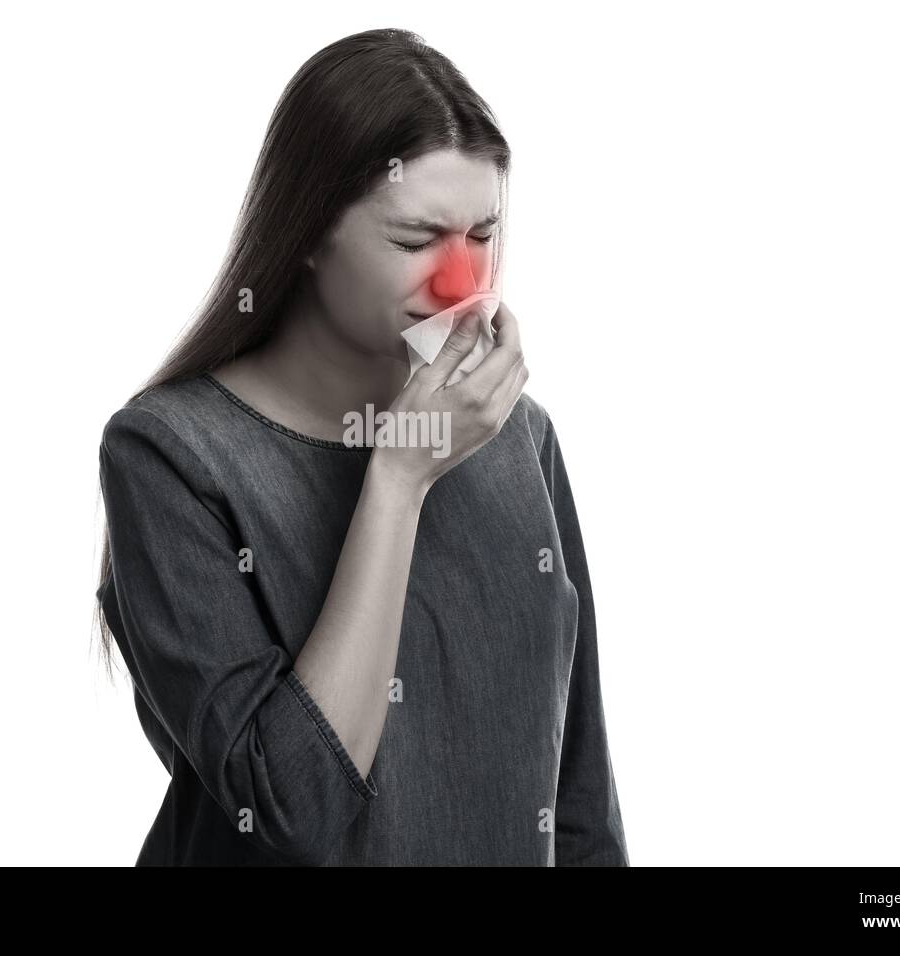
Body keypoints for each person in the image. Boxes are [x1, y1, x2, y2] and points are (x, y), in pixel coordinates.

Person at [93, 27, 629, 866]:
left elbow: (581, 799)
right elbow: (294, 808)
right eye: (415, 241)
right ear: (306, 234)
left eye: (483, 234)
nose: (464, 284)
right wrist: (398, 479)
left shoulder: (521, 435)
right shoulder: (167, 456)